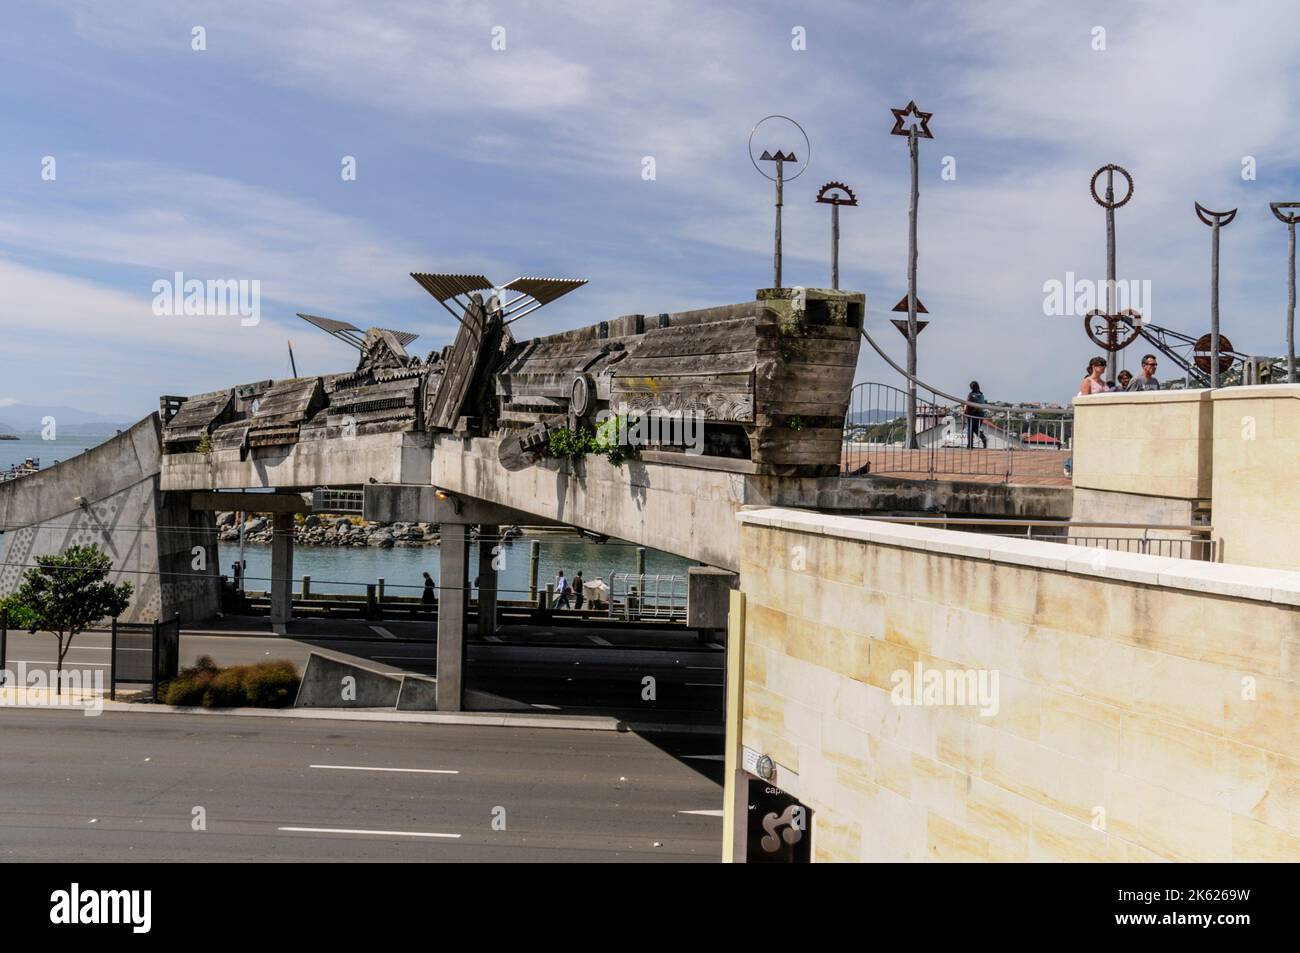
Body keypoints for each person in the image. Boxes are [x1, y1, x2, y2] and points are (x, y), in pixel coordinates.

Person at [964, 380, 988, 449]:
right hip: (981, 414)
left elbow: (967, 403)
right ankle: (983, 438)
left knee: (970, 429)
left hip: (972, 414)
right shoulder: (981, 395)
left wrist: (964, 412)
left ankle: (970, 445)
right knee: (976, 429)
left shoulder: (971, 395)